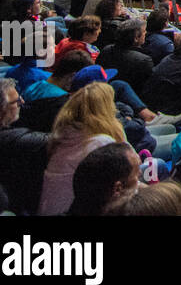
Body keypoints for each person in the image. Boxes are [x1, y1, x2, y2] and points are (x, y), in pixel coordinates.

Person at [38, 83, 128, 215]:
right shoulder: (101, 142)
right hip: (72, 211)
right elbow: (132, 174)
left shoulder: (62, 134)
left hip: (50, 210)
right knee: (158, 166)